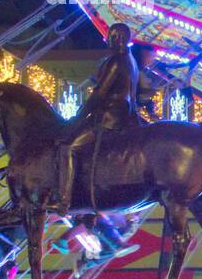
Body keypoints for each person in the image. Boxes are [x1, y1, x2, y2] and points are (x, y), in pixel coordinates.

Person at [53, 23, 140, 214]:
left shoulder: (116, 60)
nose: (107, 40)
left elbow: (100, 93)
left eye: (110, 36)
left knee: (67, 146)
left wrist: (79, 116)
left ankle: (64, 199)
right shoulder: (131, 60)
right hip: (125, 114)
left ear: (117, 38)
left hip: (109, 117)